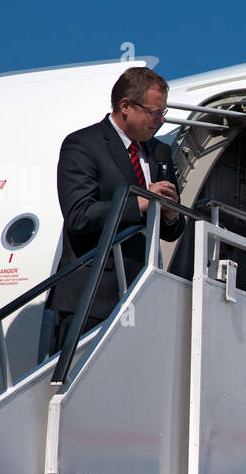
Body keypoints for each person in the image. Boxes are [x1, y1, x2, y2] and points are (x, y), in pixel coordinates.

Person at [46, 67, 185, 354]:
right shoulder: (83, 144)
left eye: (163, 112)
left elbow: (171, 232)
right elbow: (79, 216)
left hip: (143, 294)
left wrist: (172, 215)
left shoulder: (159, 152)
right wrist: (141, 203)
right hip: (93, 296)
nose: (160, 121)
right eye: (154, 113)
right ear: (125, 106)